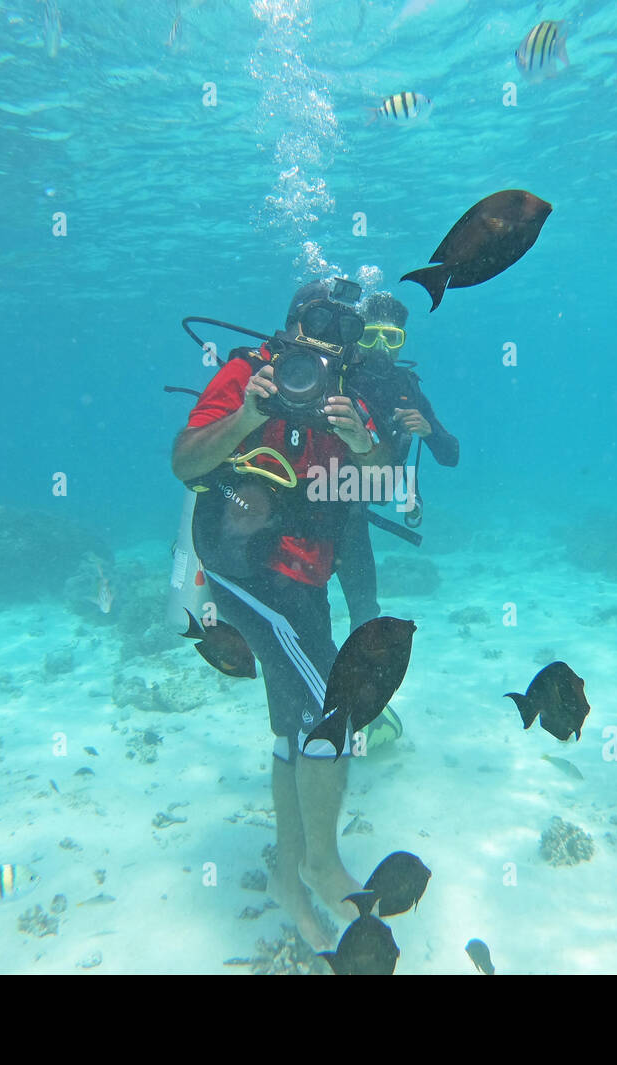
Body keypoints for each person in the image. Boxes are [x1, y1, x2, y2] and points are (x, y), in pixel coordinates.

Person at [171, 279, 388, 951]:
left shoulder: (350, 399)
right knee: (335, 707)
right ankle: (323, 865)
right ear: (292, 322)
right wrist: (243, 417)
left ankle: (289, 881)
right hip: (248, 569)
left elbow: (380, 480)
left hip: (307, 579)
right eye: (318, 320)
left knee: (294, 726)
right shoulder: (245, 374)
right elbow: (185, 462)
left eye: (345, 329)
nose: (329, 339)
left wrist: (361, 441)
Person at [334, 292, 460, 631]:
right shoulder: (336, 375)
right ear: (355, 336)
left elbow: (451, 456)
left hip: (353, 510)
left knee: (364, 611)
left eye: (391, 338)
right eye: (369, 335)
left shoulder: (408, 389)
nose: (380, 347)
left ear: (402, 342)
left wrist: (429, 430)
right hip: (313, 499)